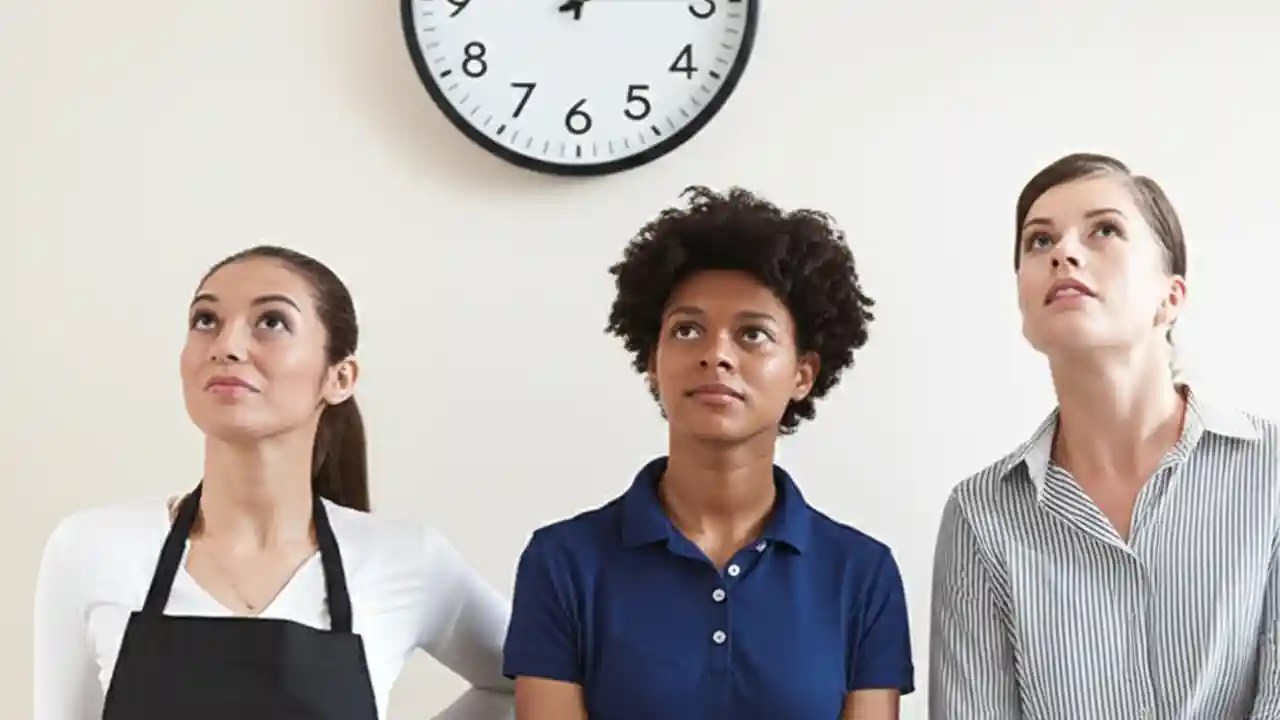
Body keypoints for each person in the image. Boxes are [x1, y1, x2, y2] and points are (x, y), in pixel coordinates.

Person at [33, 245, 514, 720]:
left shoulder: (408, 559)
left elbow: (524, 686)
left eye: (272, 322)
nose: (227, 345)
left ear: (340, 378)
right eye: (206, 320)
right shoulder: (91, 548)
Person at [502, 187, 916, 720]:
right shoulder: (563, 564)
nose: (716, 355)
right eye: (687, 330)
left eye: (753, 334)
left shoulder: (861, 574)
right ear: (653, 360)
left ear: (802, 374)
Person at [928, 153, 1280, 718]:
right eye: (1038, 242)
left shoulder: (1273, 474)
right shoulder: (981, 513)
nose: (1064, 252)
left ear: (1171, 297)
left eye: (1105, 230)